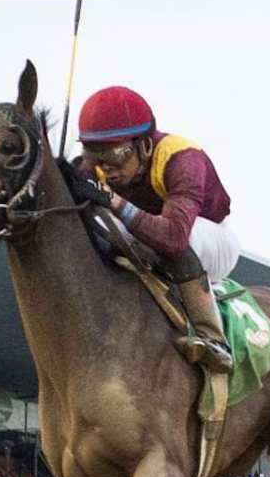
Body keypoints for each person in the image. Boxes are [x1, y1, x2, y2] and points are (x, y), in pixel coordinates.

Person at [65, 86, 239, 373]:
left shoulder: (182, 158)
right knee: (95, 223)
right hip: (153, 235)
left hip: (210, 240)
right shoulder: (97, 166)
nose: (106, 168)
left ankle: (213, 339)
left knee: (176, 239)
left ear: (145, 145)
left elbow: (173, 237)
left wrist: (112, 199)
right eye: (96, 156)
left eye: (116, 155)